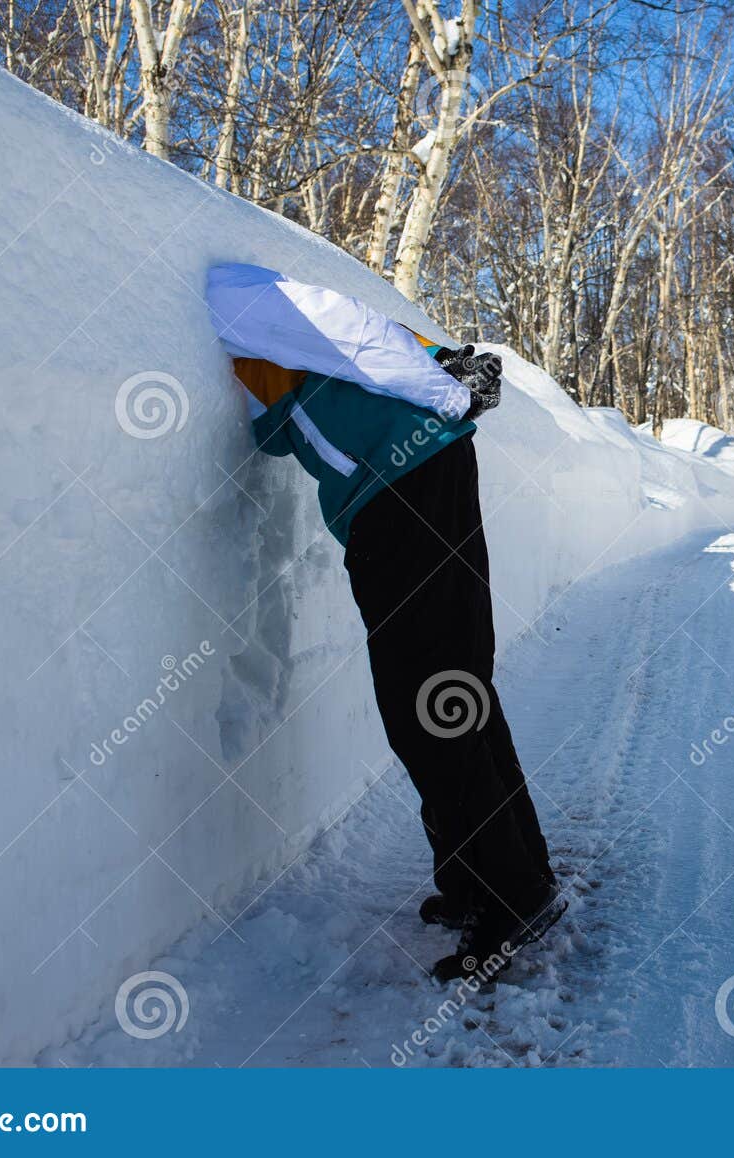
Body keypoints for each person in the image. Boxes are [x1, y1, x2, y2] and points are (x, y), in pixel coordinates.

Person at [207, 263, 563, 985]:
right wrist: (444, 373)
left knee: (429, 706)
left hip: (402, 494)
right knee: (454, 691)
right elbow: (317, 384)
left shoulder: (233, 294)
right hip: (415, 481)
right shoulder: (253, 310)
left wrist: (447, 386)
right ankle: (496, 879)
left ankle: (509, 896)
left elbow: (355, 330)